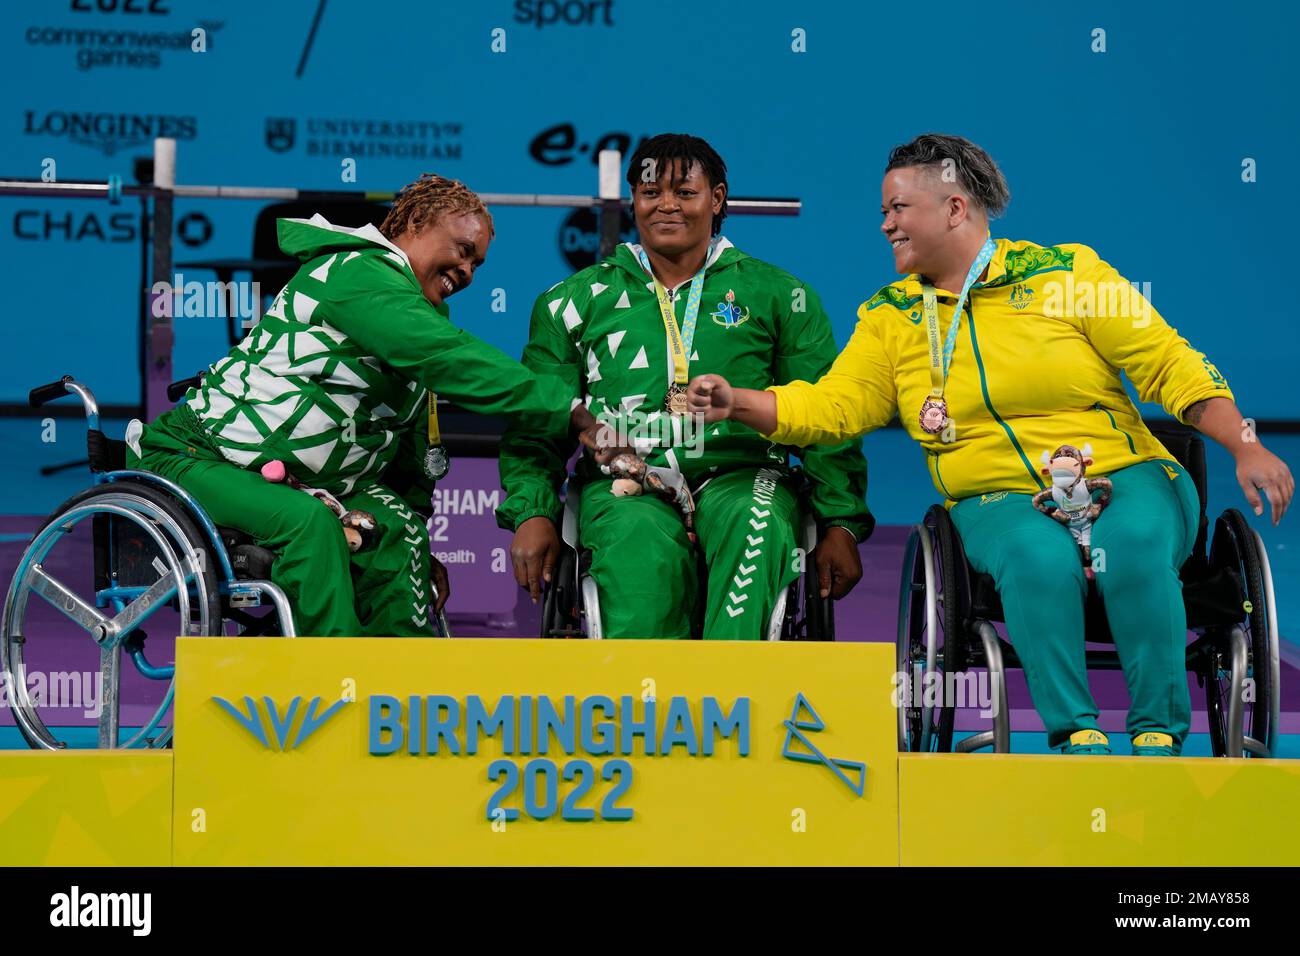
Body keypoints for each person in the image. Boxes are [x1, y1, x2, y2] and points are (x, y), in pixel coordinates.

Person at [687, 133, 1293, 752]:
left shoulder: (1069, 274)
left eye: (899, 209)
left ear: (955, 208)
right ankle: (1078, 736)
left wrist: (1245, 443)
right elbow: (833, 406)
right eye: (883, 213)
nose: (886, 225)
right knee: (1037, 559)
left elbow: (1171, 365)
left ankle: (1157, 738)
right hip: (996, 497)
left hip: (1124, 474)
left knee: (1133, 543)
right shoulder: (891, 318)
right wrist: (740, 401)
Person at [127, 174, 582, 637]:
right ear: (417, 222)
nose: (467, 271)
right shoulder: (356, 273)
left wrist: (416, 541)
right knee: (308, 525)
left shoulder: (419, 313)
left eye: (477, 265)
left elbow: (410, 444)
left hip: (304, 480)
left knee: (397, 531)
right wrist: (568, 409)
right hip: (198, 457)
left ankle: (400, 699)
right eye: (463, 250)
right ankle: (338, 693)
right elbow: (448, 358)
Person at [498, 133, 872, 639]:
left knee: (755, 526)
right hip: (624, 482)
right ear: (633, 200)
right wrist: (533, 512)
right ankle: (648, 712)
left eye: (685, 192)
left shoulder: (782, 296)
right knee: (637, 547)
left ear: (717, 199)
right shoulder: (574, 301)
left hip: (743, 475)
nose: (666, 205)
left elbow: (826, 414)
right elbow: (539, 419)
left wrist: (840, 524)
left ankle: (733, 707)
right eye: (651, 193)